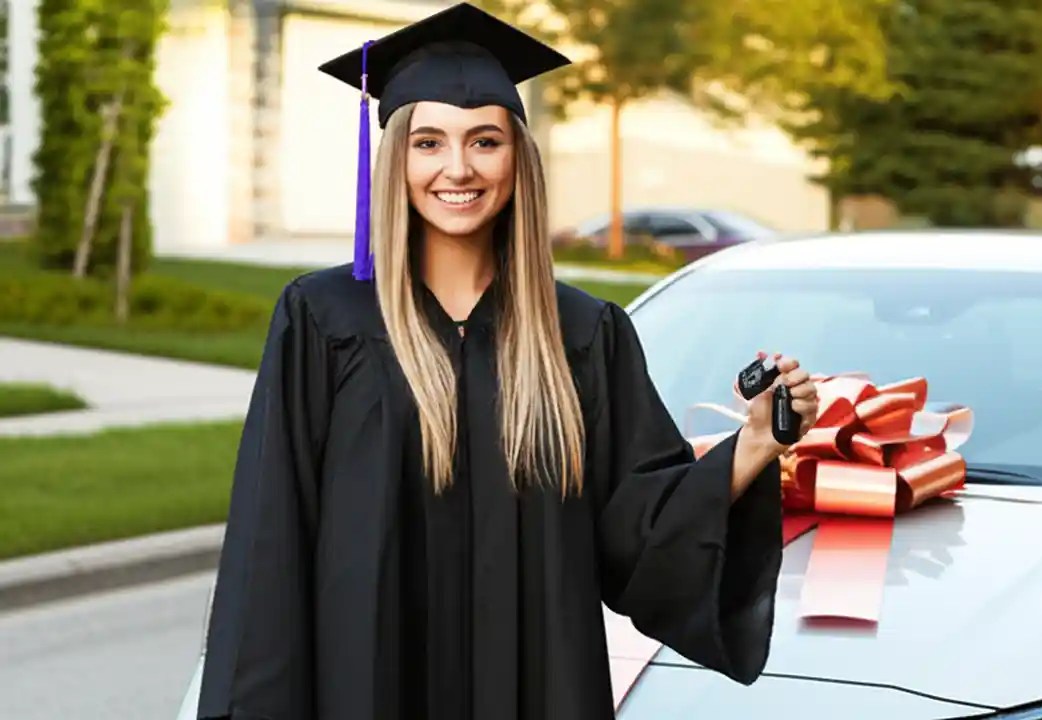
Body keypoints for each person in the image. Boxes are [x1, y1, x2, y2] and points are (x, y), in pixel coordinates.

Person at [195, 3, 819, 719]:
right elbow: (269, 544)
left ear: (517, 158)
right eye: (428, 142)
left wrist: (752, 446)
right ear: (394, 157)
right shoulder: (325, 320)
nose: (457, 168)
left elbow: (639, 534)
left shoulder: (582, 334)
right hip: (365, 690)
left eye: (484, 141)